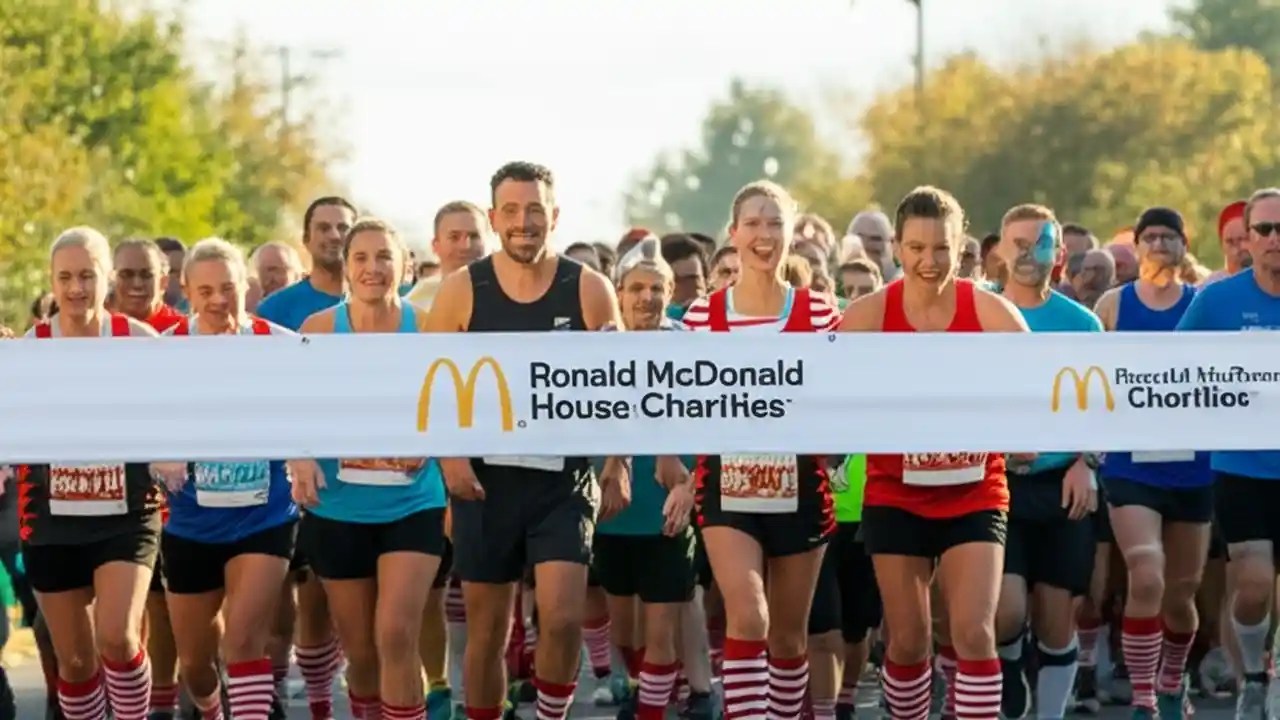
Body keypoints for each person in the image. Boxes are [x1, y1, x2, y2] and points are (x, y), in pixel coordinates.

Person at [424, 161, 626, 720]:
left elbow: (620, 386)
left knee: (561, 619)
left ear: (553, 216)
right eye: (511, 211)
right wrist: (451, 461)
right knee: (489, 631)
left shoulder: (588, 288)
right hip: (485, 483)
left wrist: (617, 459)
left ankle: (550, 713)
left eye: (535, 210)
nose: (523, 222)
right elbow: (430, 386)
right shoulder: (462, 291)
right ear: (494, 219)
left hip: (563, 480)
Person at [839, 186, 1030, 720]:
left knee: (973, 630)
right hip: (895, 494)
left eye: (942, 248)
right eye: (918, 248)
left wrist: (1024, 431)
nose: (930, 261)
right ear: (897, 248)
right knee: (908, 640)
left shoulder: (993, 313)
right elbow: (820, 395)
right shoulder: (865, 317)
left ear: (961, 246)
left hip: (974, 490)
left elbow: (1039, 387)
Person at [682, 180, 841, 720]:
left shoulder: (821, 315)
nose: (764, 234)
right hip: (727, 483)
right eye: (752, 222)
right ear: (734, 234)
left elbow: (845, 397)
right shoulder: (702, 318)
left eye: (775, 223)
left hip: (801, 484)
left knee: (791, 639)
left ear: (792, 235)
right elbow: (682, 402)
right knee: (749, 617)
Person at [293, 219, 443, 720]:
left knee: (397, 634)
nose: (373, 268)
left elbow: (458, 408)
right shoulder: (318, 330)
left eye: (384, 257)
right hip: (339, 507)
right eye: (362, 258)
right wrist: (302, 457)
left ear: (404, 267)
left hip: (413, 502)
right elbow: (291, 409)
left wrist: (430, 443)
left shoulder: (426, 327)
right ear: (346, 268)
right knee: (362, 652)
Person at [146, 238, 299, 720]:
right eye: (205, 290)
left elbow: (314, 412)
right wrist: (160, 456)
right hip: (192, 523)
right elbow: (137, 423)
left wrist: (306, 454)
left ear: (245, 288)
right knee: (195, 663)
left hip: (264, 514)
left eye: (228, 288)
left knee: (243, 642)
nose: (217, 300)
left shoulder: (280, 346)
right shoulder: (164, 353)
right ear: (185, 291)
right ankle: (211, 711)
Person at [21, 227, 161, 720]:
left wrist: (166, 450)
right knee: (76, 661)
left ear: (108, 280)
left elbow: (179, 413)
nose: (76, 288)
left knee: (118, 638)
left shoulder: (140, 342)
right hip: (51, 514)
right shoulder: (28, 350)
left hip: (127, 511)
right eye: (66, 278)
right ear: (52, 282)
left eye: (87, 276)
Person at [1094, 207, 1212, 718]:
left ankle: (1171, 679)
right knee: (1146, 572)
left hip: (1193, 465)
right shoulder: (1112, 305)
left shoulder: (1201, 303)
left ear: (1185, 246)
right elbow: (1087, 379)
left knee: (1183, 597)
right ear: (1136, 246)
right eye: (1150, 237)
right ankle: (1143, 692)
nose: (1160, 244)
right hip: (1130, 464)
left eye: (1170, 237)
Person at [993, 205, 1102, 720]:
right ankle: (1010, 667)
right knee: (1006, 610)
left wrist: (1086, 462)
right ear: (999, 250)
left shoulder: (1082, 323)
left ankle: (1050, 714)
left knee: (1058, 622)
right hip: (997, 485)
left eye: (1039, 243)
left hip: (1062, 483)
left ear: (1059, 255)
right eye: (1017, 242)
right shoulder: (980, 314)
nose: (1026, 253)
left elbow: (1102, 404)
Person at [1177, 187, 1280, 718]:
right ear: (1247, 239)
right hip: (1241, 464)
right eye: (1264, 230)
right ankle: (1255, 676)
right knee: (1255, 581)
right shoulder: (1216, 301)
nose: (1274, 241)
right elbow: (1172, 369)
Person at [255, 195, 357, 720]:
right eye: (324, 227)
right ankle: (283, 700)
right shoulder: (276, 311)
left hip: (364, 474)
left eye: (344, 226)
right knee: (291, 602)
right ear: (307, 236)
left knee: (336, 600)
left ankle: (326, 696)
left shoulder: (393, 305)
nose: (334, 235)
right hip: (289, 476)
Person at [594, 239, 700, 720]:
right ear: (619, 291)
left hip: (665, 512)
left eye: (657, 288)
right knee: (627, 634)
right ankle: (647, 690)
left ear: (670, 291)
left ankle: (651, 709)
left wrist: (689, 482)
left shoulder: (689, 345)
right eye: (637, 287)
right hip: (612, 514)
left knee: (661, 632)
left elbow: (717, 420)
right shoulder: (597, 346)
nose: (647, 298)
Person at [405, 201, 489, 312]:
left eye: (474, 236)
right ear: (435, 246)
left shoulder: (511, 294)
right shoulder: (415, 305)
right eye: (454, 237)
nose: (465, 246)